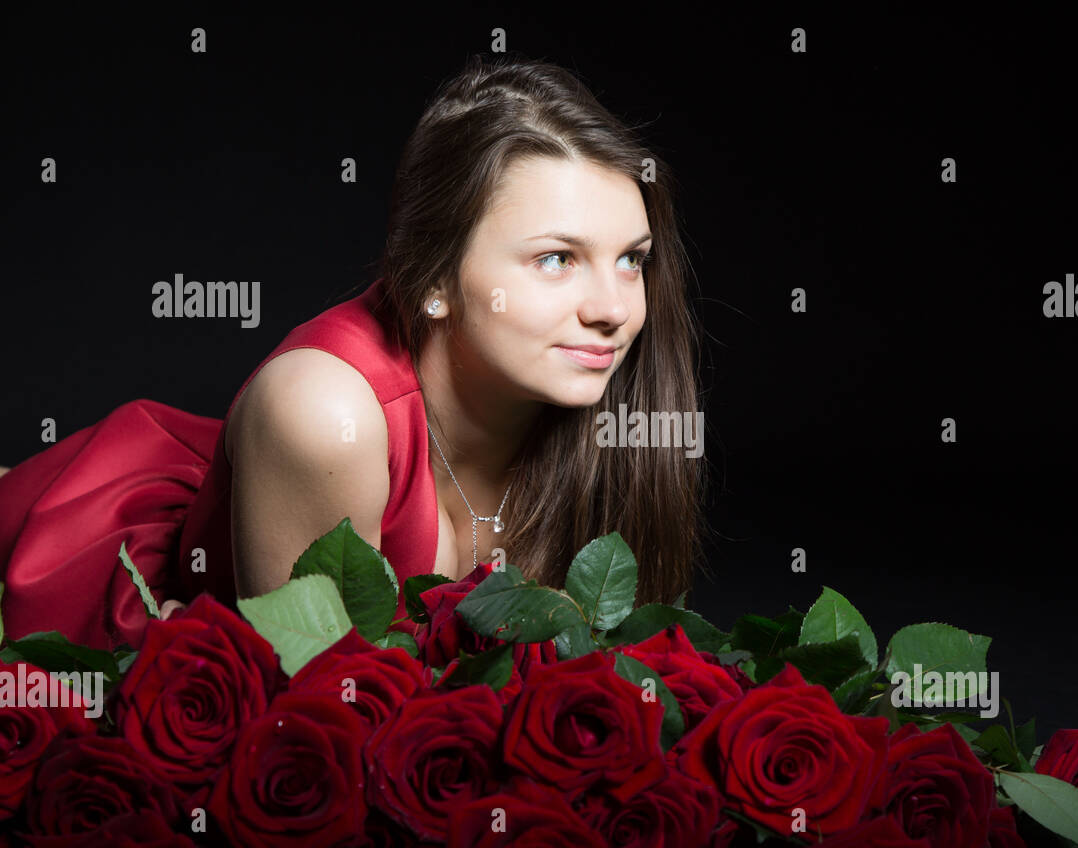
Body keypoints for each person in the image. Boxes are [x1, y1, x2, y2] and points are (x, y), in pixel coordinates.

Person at [0, 54, 708, 651]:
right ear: (434, 280)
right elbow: (315, 724)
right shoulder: (324, 412)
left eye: (631, 260)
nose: (614, 310)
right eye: (556, 259)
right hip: (79, 588)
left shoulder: (602, 413)